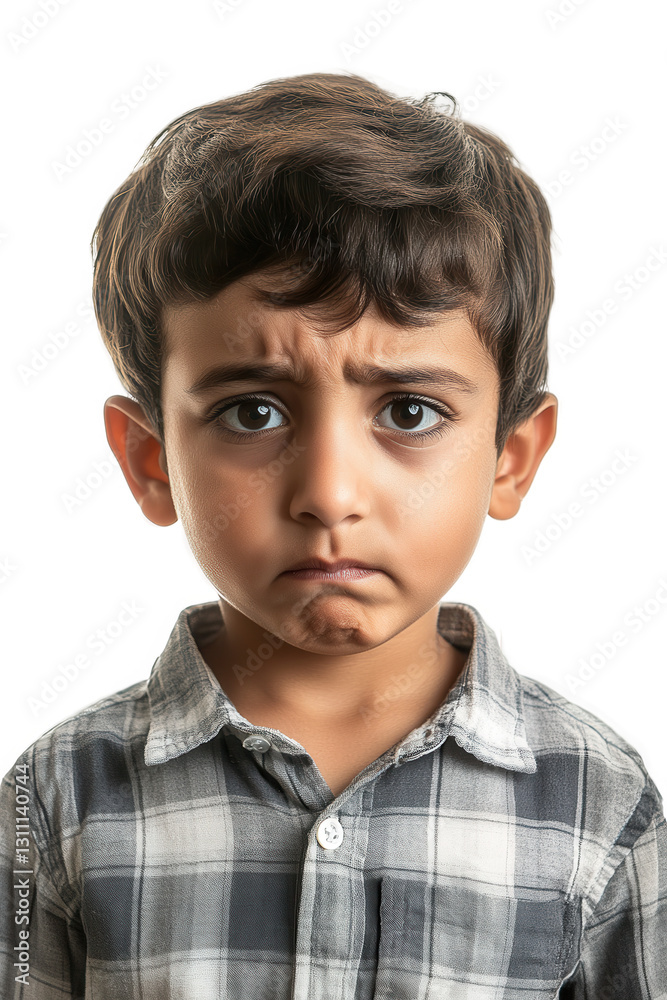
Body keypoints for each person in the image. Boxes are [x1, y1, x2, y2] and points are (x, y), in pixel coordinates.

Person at [1, 71, 665, 999]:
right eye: (252, 412)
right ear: (151, 460)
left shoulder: (599, 804)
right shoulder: (56, 798)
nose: (328, 493)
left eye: (408, 409)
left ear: (511, 457)